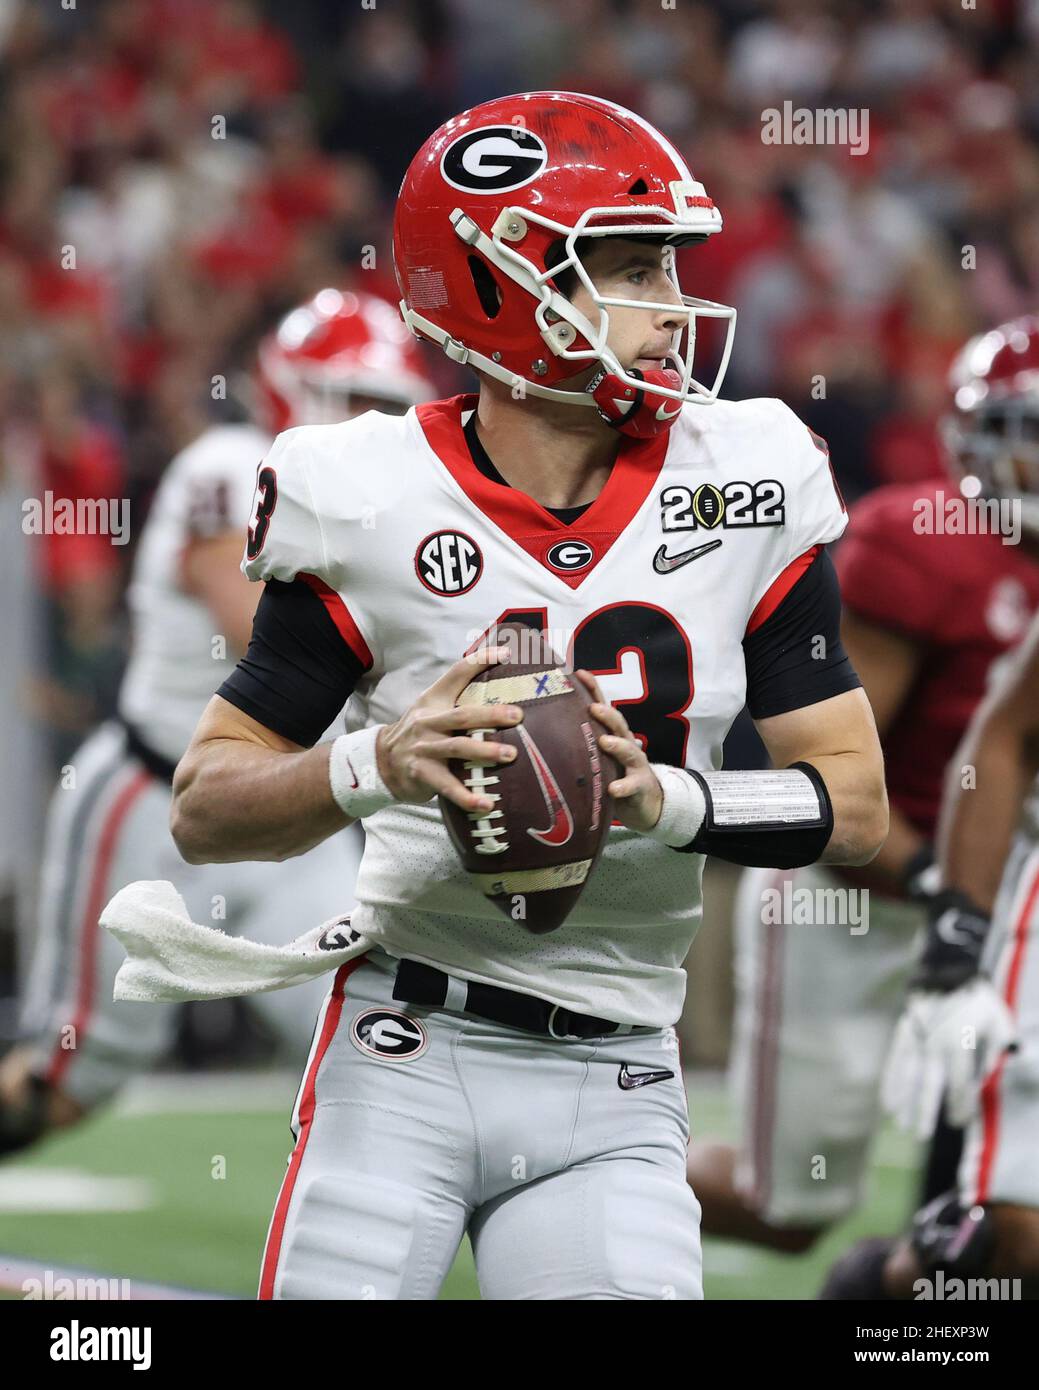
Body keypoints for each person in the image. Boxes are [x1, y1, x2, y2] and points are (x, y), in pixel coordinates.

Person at [168, 91, 887, 1301]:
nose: (669, 306)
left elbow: (853, 806)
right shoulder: (367, 493)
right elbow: (205, 804)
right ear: (497, 286)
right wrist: (375, 762)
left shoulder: (749, 474)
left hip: (621, 1076)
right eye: (626, 267)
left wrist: (664, 799)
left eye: (668, 263)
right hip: (403, 1048)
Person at [0, 289, 433, 1154]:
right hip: (156, 803)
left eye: (387, 406)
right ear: (290, 388)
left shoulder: (396, 510)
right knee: (71, 1078)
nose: (372, 426)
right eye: (354, 399)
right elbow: (262, 639)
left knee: (368, 1034)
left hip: (294, 817)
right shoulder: (235, 465)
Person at [687, 314, 1039, 1255]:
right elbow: (828, 771)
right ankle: (590, 1178)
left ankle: (917, 1282)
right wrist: (942, 893)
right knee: (787, 1208)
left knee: (1002, 1196)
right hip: (858, 897)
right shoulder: (924, 545)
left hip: (1015, 907)